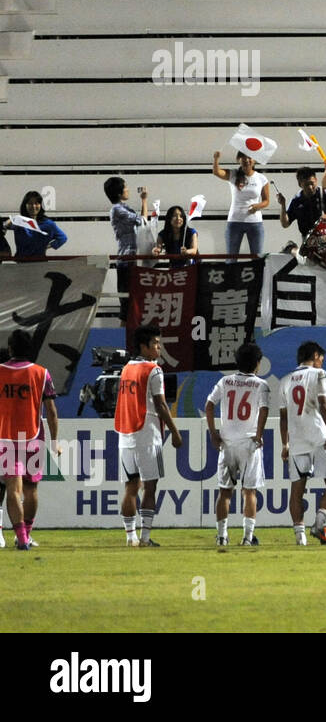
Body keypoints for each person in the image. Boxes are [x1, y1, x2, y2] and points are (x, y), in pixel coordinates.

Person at [115, 324, 182, 547]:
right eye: (155, 343)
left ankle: (129, 536)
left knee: (130, 487)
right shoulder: (154, 370)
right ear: (144, 346)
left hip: (126, 434)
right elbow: (161, 405)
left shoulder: (126, 369)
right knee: (149, 487)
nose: (159, 348)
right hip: (147, 433)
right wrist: (174, 431)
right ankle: (144, 538)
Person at [205, 341, 270, 547]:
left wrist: (213, 433)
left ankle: (222, 536)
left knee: (225, 492)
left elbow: (208, 405)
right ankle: (247, 538)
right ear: (258, 364)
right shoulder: (261, 384)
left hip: (227, 443)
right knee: (249, 492)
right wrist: (259, 434)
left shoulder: (225, 382)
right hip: (249, 444)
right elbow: (264, 410)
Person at [0, 330, 58, 551]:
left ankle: (22, 538)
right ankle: (26, 534)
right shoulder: (42, 374)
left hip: (5, 438)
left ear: (11, 348)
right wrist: (55, 441)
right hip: (33, 437)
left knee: (13, 488)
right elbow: (51, 411)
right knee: (31, 489)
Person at [279, 340, 326, 546]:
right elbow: (323, 403)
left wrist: (285, 444)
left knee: (297, 489)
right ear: (315, 355)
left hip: (296, 440)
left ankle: (300, 537)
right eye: (321, 357)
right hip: (318, 437)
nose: (322, 361)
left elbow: (283, 417)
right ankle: (319, 524)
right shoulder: (319, 374)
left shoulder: (285, 380)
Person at [105, 176, 151, 320]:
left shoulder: (123, 208)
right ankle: (124, 338)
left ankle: (130, 337)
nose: (128, 190)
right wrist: (144, 200)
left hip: (132, 257)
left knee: (134, 302)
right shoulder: (117, 210)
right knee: (127, 304)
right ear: (119, 193)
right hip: (127, 259)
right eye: (125, 187)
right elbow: (143, 220)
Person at [212, 150, 270, 257]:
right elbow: (217, 172)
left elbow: (266, 201)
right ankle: (231, 274)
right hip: (235, 221)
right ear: (238, 159)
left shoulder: (261, 178)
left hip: (255, 223)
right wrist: (216, 159)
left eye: (250, 157)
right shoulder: (233, 174)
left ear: (254, 161)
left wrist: (257, 206)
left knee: (257, 258)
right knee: (231, 258)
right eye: (243, 157)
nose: (247, 160)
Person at [277, 166, 326, 242]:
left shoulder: (325, 193)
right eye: (306, 184)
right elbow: (285, 224)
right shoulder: (297, 199)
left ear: (316, 180)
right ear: (300, 184)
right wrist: (283, 205)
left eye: (312, 183)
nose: (310, 187)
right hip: (308, 239)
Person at [7, 191, 67, 257]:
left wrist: (46, 246)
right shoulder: (19, 221)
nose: (33, 206)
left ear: (41, 205)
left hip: (40, 263)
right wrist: (9, 222)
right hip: (21, 263)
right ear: (25, 205)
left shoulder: (48, 224)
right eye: (30, 203)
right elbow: (4, 227)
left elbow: (62, 238)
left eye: (37, 203)